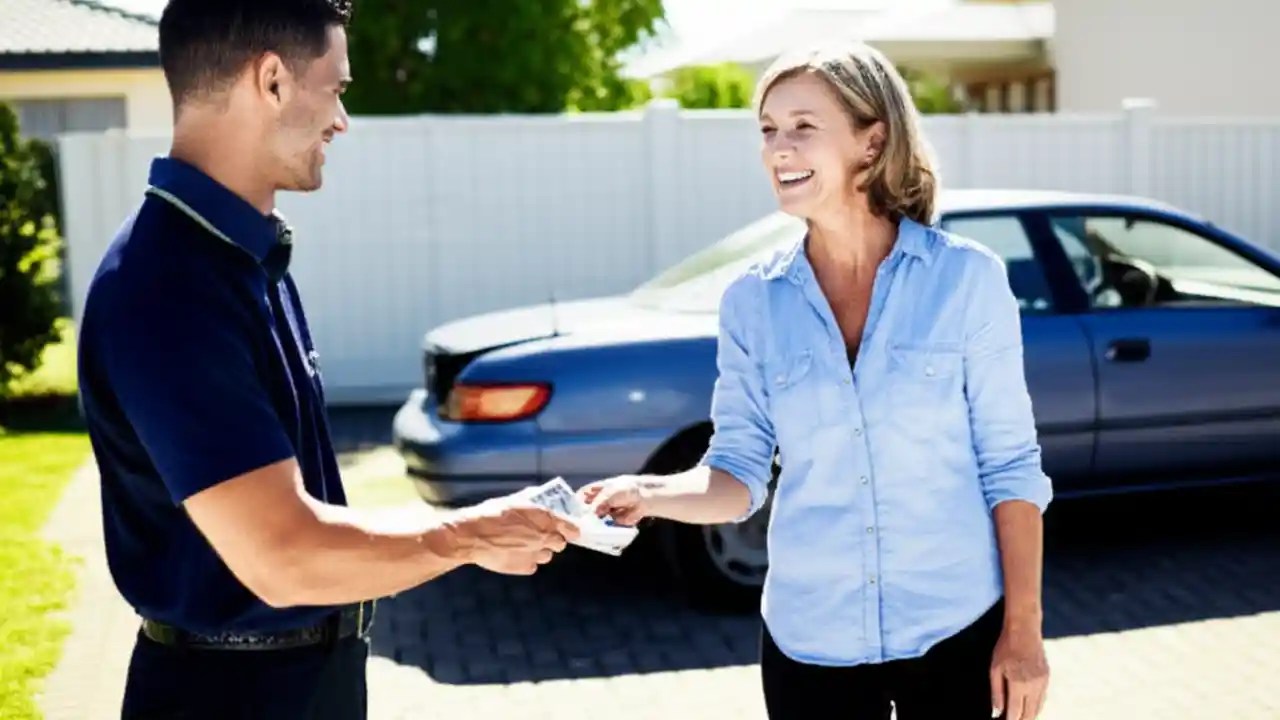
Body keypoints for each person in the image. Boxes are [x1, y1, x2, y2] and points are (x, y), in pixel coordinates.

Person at [76, 1, 578, 717]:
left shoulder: (237, 258)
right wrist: (470, 535)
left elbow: (296, 513)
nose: (342, 120)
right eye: (336, 89)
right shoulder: (168, 286)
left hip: (291, 682)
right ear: (273, 80)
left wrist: (480, 523)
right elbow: (283, 553)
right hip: (232, 697)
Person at [580, 41, 1052, 720]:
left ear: (871, 141)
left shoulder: (967, 280)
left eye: (803, 126)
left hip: (956, 628)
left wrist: (1023, 632)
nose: (779, 148)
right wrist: (646, 492)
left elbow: (1010, 467)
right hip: (810, 644)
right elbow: (737, 475)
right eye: (768, 130)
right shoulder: (753, 301)